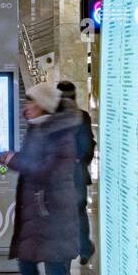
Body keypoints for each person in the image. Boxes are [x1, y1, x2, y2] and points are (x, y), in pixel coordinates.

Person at [0, 81, 81, 275]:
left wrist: (12, 159)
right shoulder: (38, 128)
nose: (27, 107)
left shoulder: (62, 133)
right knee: (26, 264)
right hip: (34, 210)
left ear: (44, 104)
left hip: (54, 211)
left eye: (32, 102)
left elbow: (47, 169)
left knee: (56, 271)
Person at [57, 81, 96, 264]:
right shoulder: (82, 116)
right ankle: (84, 249)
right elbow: (89, 145)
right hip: (76, 174)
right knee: (79, 213)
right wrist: (80, 162)